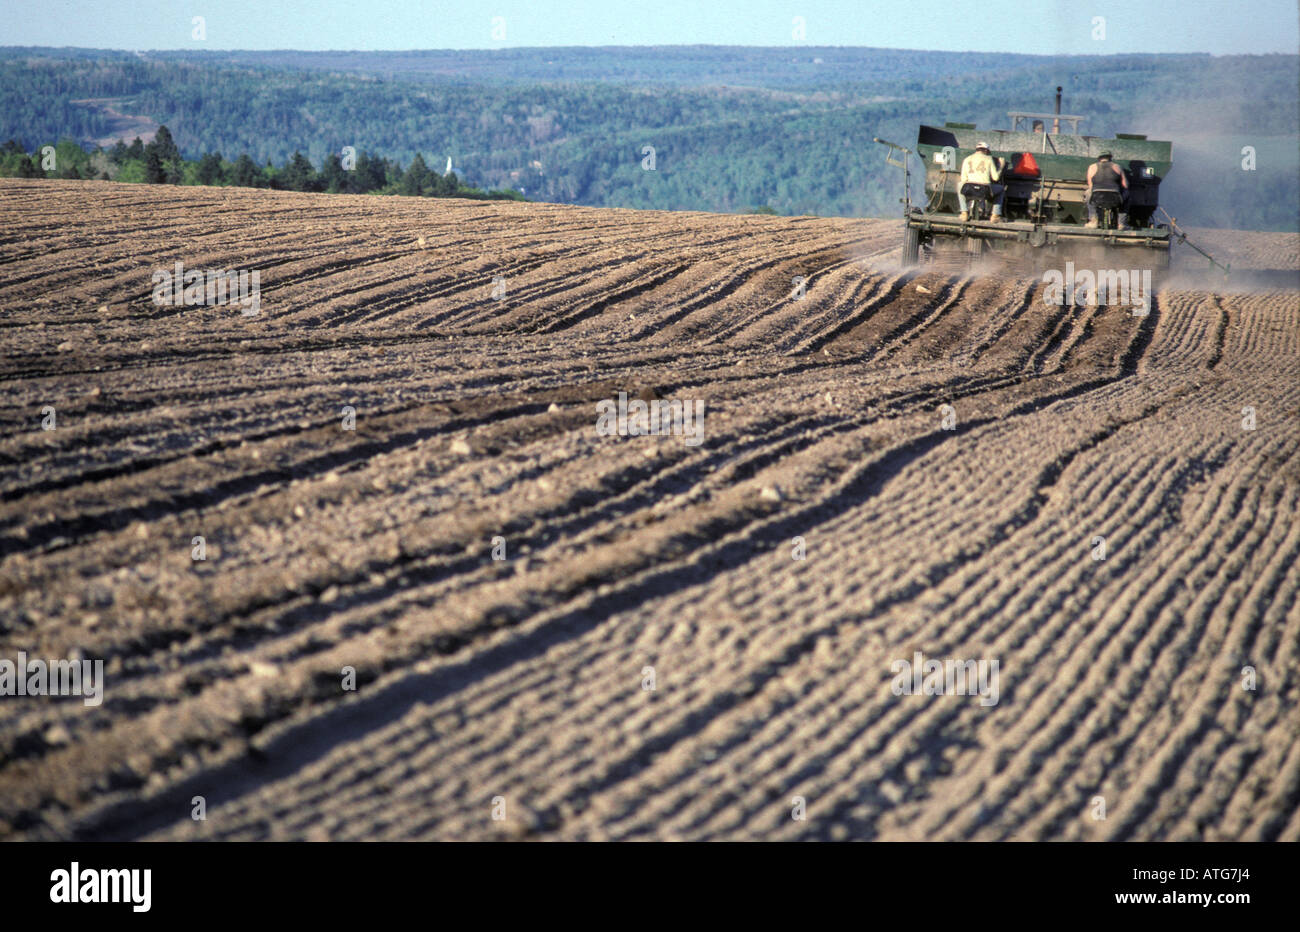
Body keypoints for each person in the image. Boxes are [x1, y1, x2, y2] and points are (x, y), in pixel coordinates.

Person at [959, 142, 1005, 222]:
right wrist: (1001, 167)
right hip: (985, 190)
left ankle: (964, 213)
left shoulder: (967, 159)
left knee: (960, 186)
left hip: (970, 189)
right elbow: (996, 178)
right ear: (986, 150)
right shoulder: (989, 159)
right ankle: (995, 215)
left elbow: (963, 179)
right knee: (1001, 189)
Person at [1085, 152, 1128, 229]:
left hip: (1097, 198)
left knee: (1088, 193)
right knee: (1127, 194)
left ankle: (1093, 221)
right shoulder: (1117, 167)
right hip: (1115, 198)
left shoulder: (1092, 167)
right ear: (1110, 158)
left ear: (1099, 158)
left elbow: (1090, 185)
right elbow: (1125, 185)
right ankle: (1121, 223)